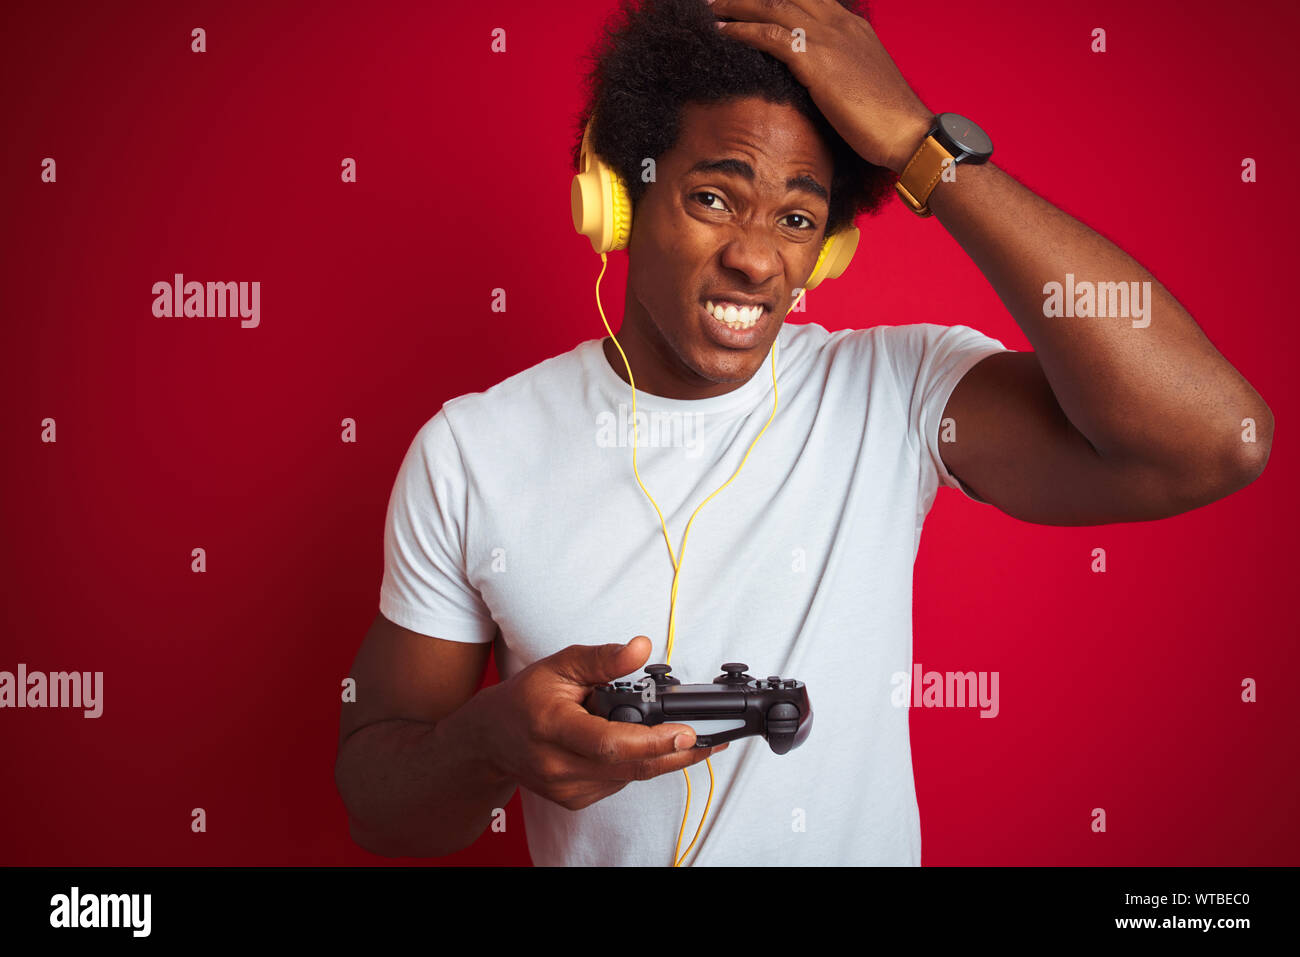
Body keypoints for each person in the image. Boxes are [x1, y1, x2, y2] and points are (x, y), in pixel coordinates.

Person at [333, 0, 1272, 866]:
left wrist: (920, 146)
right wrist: (491, 741)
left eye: (796, 217)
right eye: (713, 196)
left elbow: (1215, 439)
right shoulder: (470, 451)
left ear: (828, 248)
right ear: (619, 199)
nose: (755, 257)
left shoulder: (894, 391)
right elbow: (380, 805)